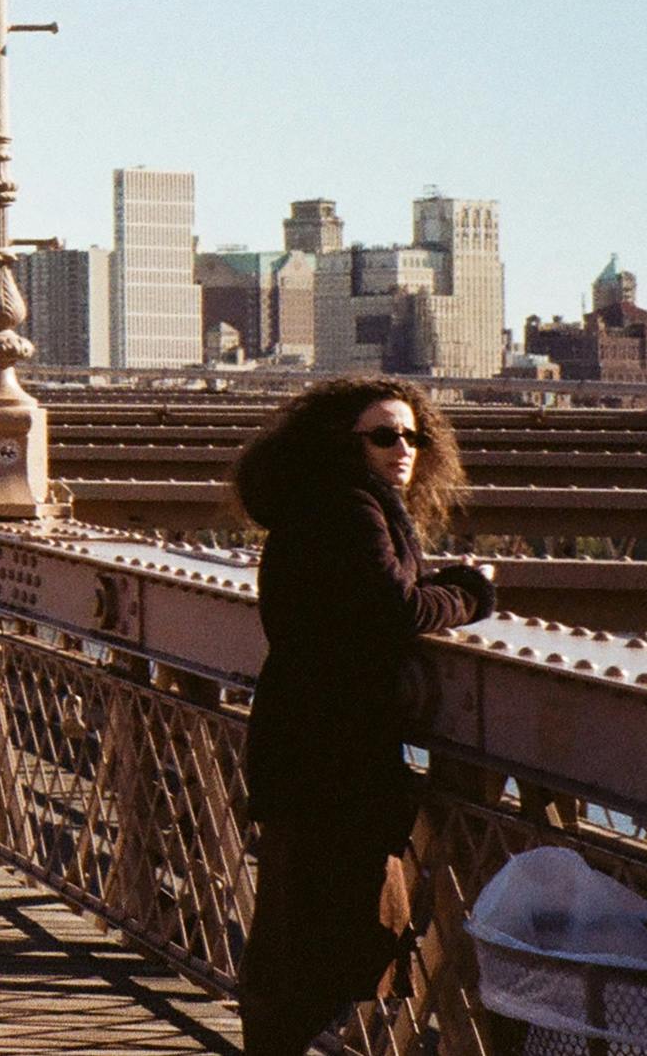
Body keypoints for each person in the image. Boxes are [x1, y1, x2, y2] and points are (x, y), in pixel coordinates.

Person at [233, 380, 494, 1056]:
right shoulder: (348, 508)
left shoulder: (321, 502)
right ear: (342, 444)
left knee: (296, 932)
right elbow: (395, 608)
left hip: (305, 747)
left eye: (413, 435)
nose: (403, 448)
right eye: (384, 435)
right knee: (322, 939)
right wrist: (469, 590)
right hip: (330, 757)